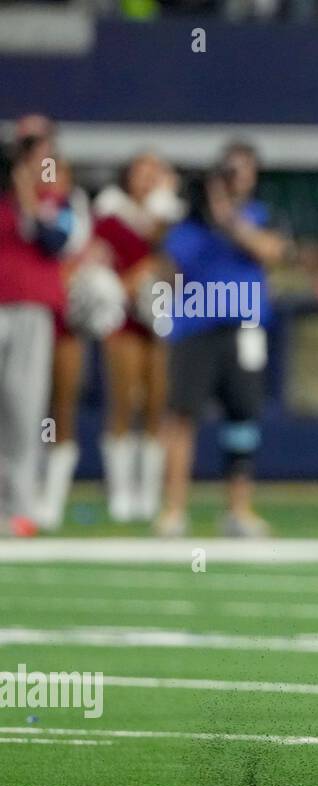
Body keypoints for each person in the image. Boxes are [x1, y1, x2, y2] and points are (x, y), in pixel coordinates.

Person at [37, 152, 186, 529]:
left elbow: (172, 262)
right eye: (142, 172)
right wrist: (135, 277)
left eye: (156, 173)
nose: (149, 180)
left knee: (155, 401)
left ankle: (147, 494)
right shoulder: (109, 215)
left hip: (157, 314)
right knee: (124, 400)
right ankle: (119, 492)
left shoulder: (166, 217)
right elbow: (99, 264)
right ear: (127, 176)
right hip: (120, 317)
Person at [156, 142, 288, 537]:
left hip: (243, 330)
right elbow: (169, 268)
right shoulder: (190, 223)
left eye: (243, 170)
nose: (237, 178)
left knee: (243, 419)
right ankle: (174, 510)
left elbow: (270, 251)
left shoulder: (261, 215)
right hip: (196, 330)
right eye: (229, 171)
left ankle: (237, 509)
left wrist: (229, 220)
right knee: (181, 417)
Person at [0, 115, 89, 537]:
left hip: (31, 310)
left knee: (24, 410)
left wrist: (27, 197)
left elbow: (55, 241)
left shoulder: (62, 198)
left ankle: (19, 506)